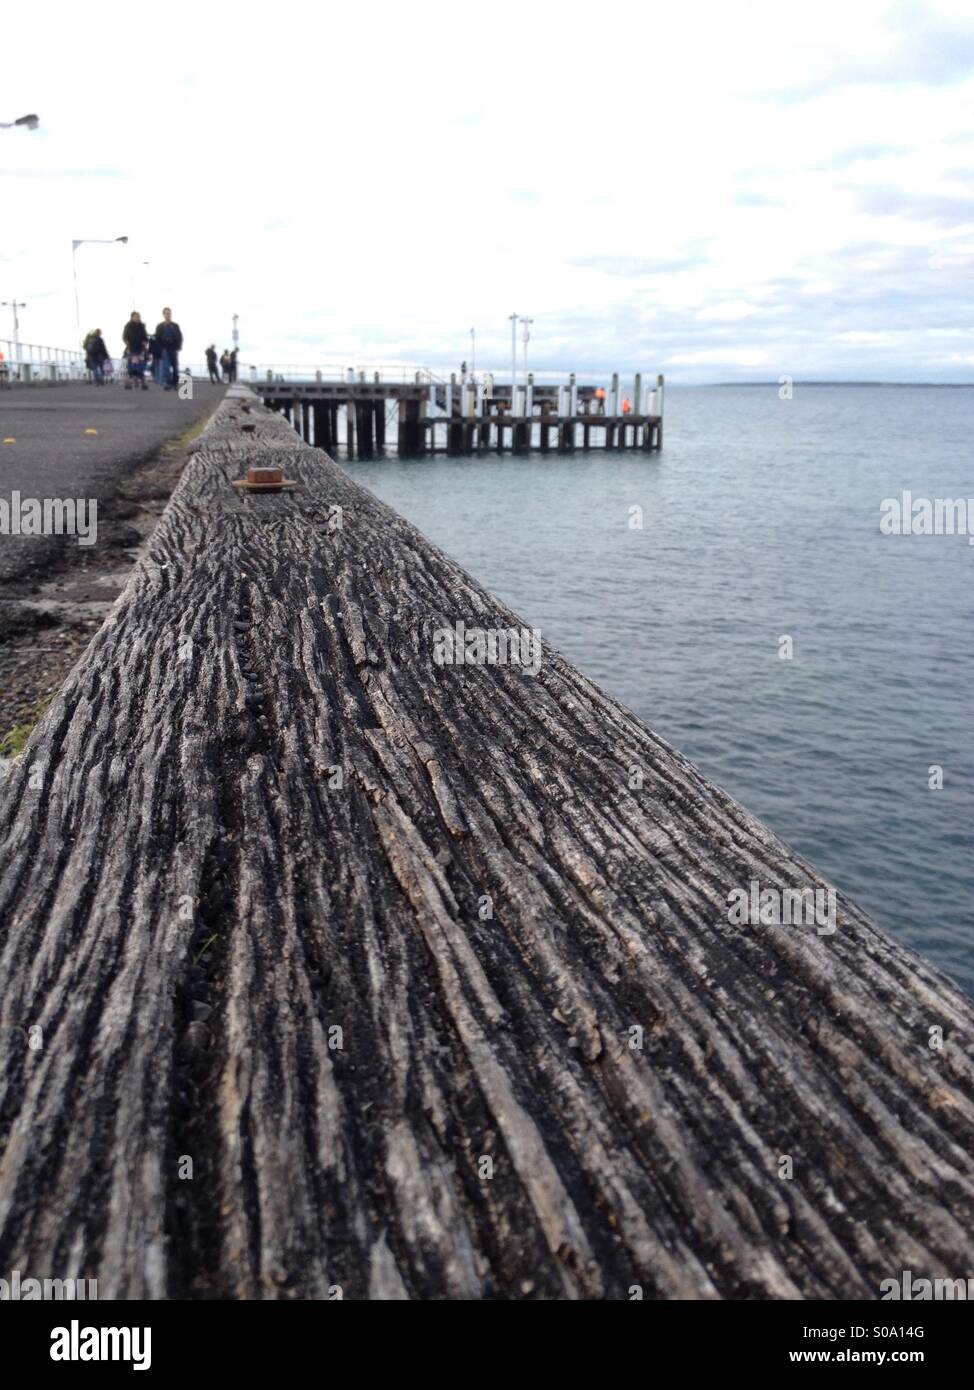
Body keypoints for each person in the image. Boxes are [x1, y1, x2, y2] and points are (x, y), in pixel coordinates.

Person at [154, 307, 183, 391]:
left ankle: (175, 384)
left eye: (169, 313)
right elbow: (157, 338)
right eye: (166, 313)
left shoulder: (175, 325)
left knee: (175, 367)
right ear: (163, 315)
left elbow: (180, 336)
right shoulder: (160, 326)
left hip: (174, 349)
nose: (168, 315)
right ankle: (168, 383)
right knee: (166, 367)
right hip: (164, 349)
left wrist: (179, 346)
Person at [122, 311, 150, 391]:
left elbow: (145, 336)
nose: (138, 318)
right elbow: (124, 336)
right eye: (136, 317)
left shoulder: (142, 326)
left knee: (140, 366)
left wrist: (145, 341)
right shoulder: (128, 326)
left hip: (140, 349)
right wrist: (126, 341)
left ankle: (142, 382)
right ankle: (130, 382)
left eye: (139, 317)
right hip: (131, 349)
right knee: (132, 366)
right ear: (132, 317)